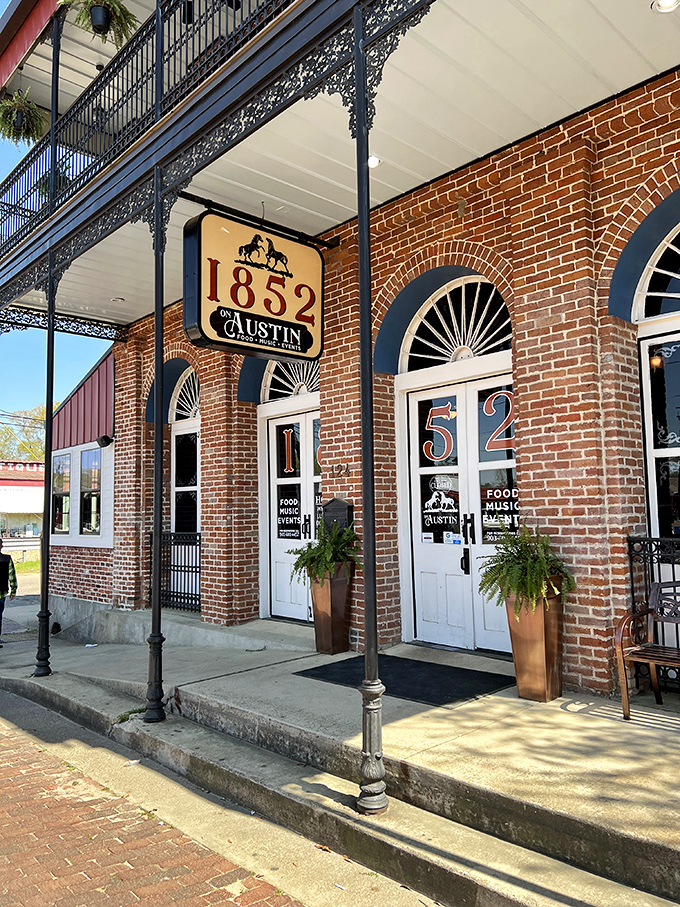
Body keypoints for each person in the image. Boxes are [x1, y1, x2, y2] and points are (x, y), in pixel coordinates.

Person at [0, 538, 17, 648]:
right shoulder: (6, 559)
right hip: (1, 593)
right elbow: (12, 576)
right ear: (1, 546)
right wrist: (13, 590)